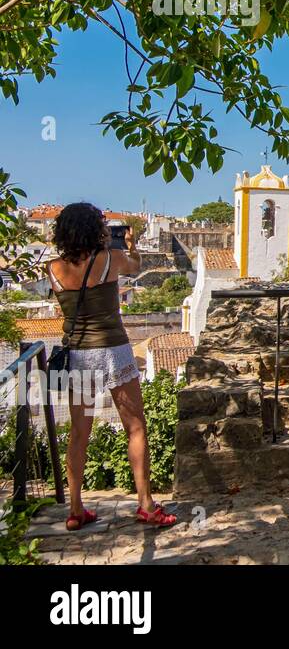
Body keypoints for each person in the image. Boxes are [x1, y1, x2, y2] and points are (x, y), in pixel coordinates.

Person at [47, 203, 177, 530]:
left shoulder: (54, 269)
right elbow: (135, 265)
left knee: (79, 433)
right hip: (115, 350)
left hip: (80, 355)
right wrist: (129, 244)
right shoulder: (109, 260)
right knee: (135, 426)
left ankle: (76, 508)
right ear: (97, 229)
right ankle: (145, 503)